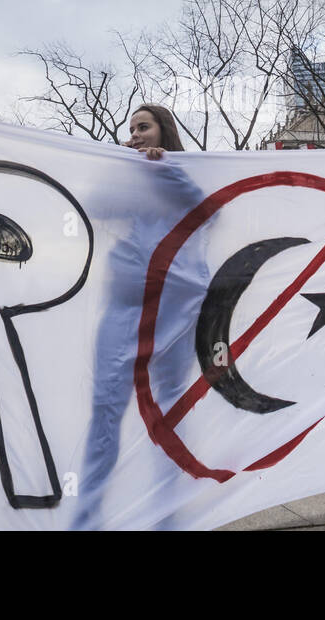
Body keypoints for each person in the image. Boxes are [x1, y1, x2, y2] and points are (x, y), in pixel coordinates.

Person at [75, 104, 196, 529]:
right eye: (131, 130)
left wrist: (165, 170)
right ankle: (85, 519)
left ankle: (166, 518)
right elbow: (97, 205)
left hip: (174, 317)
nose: (137, 134)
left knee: (168, 416)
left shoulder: (182, 174)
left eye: (144, 127)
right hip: (124, 310)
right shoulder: (130, 175)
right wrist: (126, 168)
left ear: (165, 131)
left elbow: (205, 211)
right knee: (105, 410)